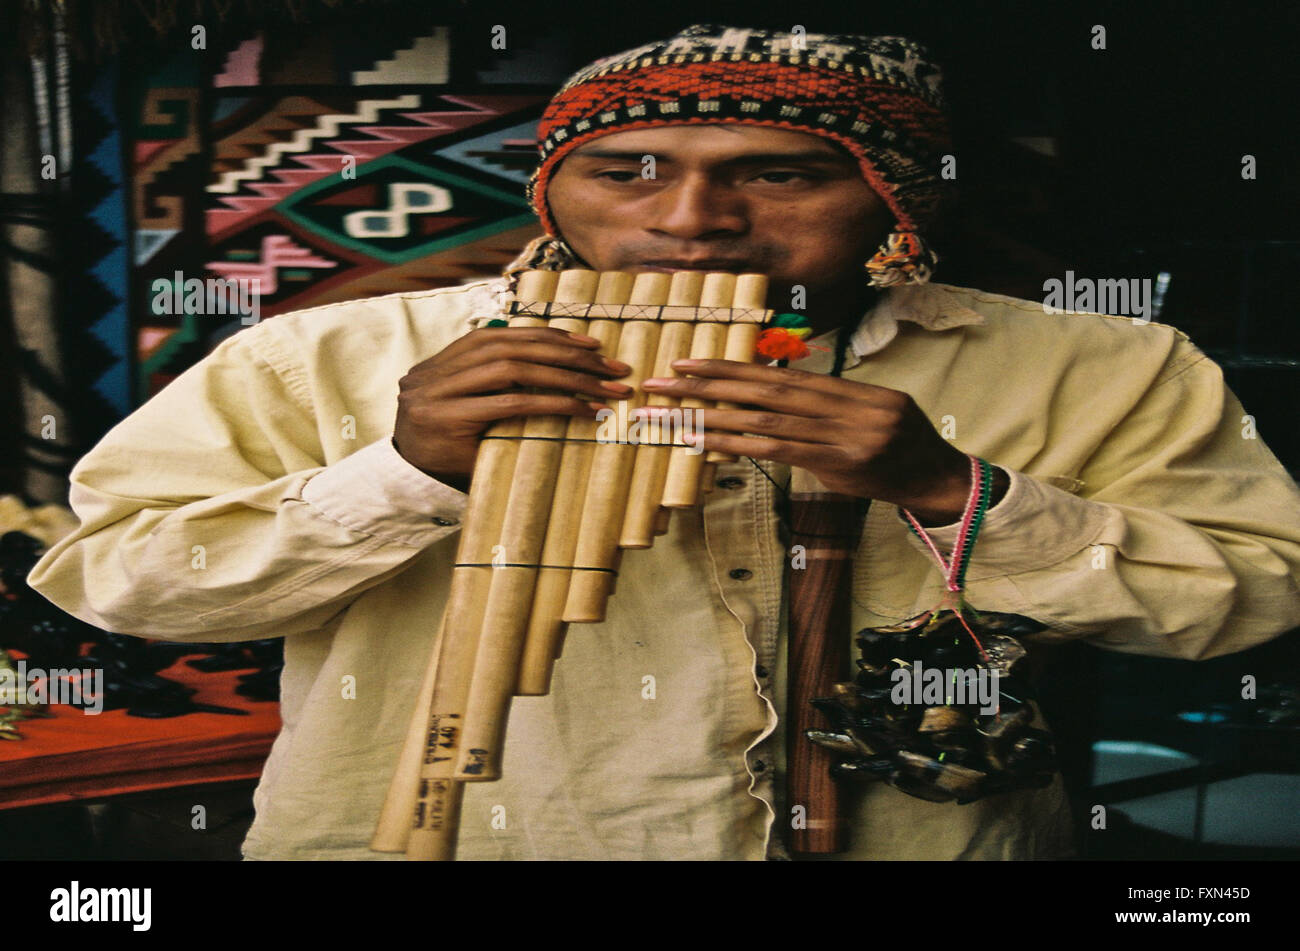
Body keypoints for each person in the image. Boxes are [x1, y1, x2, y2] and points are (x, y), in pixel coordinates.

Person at [28, 24, 1300, 860]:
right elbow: (122, 587)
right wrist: (403, 475)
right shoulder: (325, 360)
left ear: (896, 201)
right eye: (625, 170)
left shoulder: (1105, 363)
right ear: (551, 190)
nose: (691, 221)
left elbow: (1254, 598)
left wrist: (954, 491)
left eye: (782, 172)